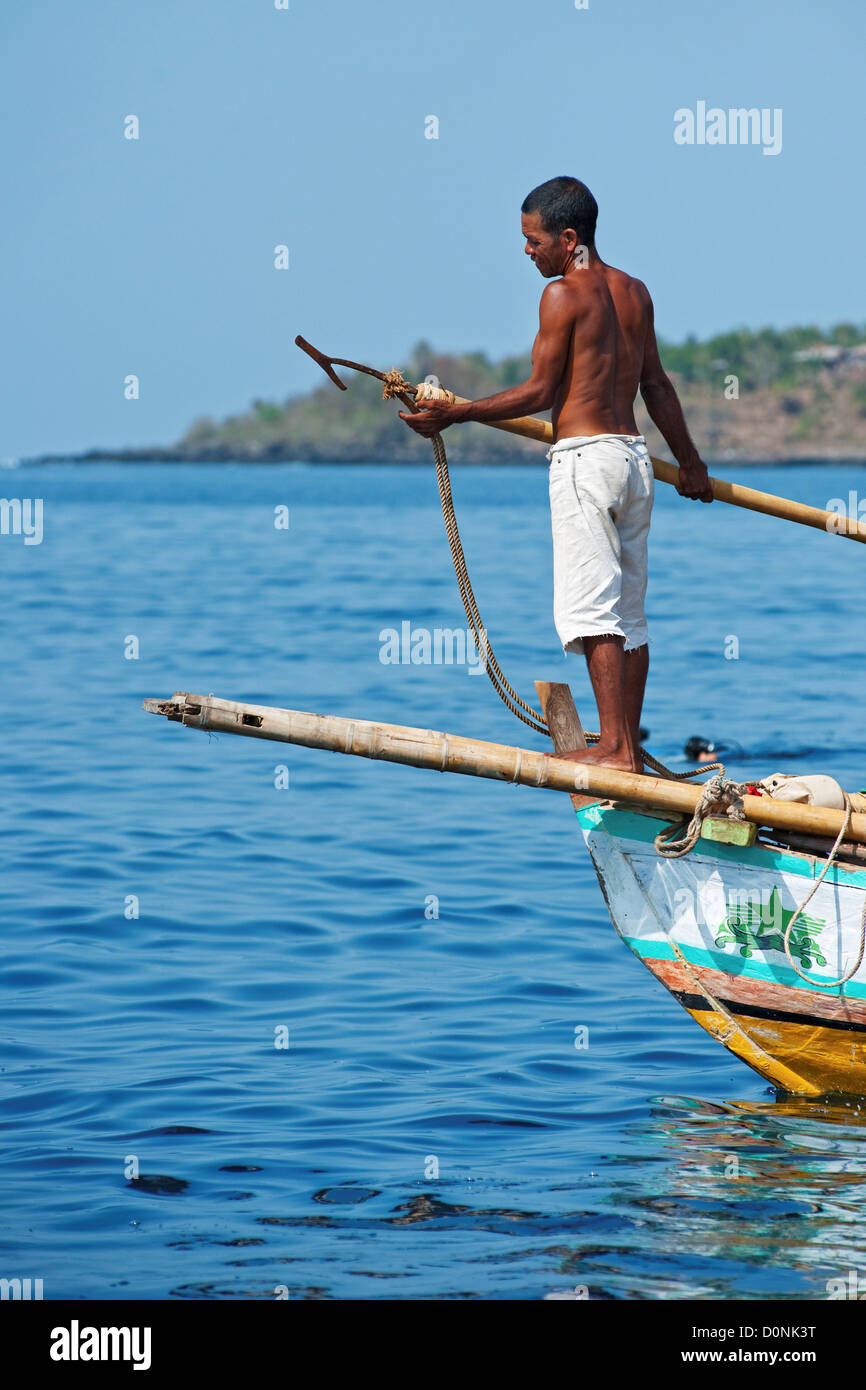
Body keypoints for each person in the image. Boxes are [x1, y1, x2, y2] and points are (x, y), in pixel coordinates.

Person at [399, 175, 713, 773]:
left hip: (586, 464)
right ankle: (628, 746)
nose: (526, 251)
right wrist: (691, 463)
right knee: (631, 613)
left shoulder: (563, 296)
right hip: (634, 462)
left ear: (569, 239)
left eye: (534, 240)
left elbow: (541, 391)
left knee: (593, 611)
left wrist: (458, 413)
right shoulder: (636, 292)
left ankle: (617, 749)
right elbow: (656, 385)